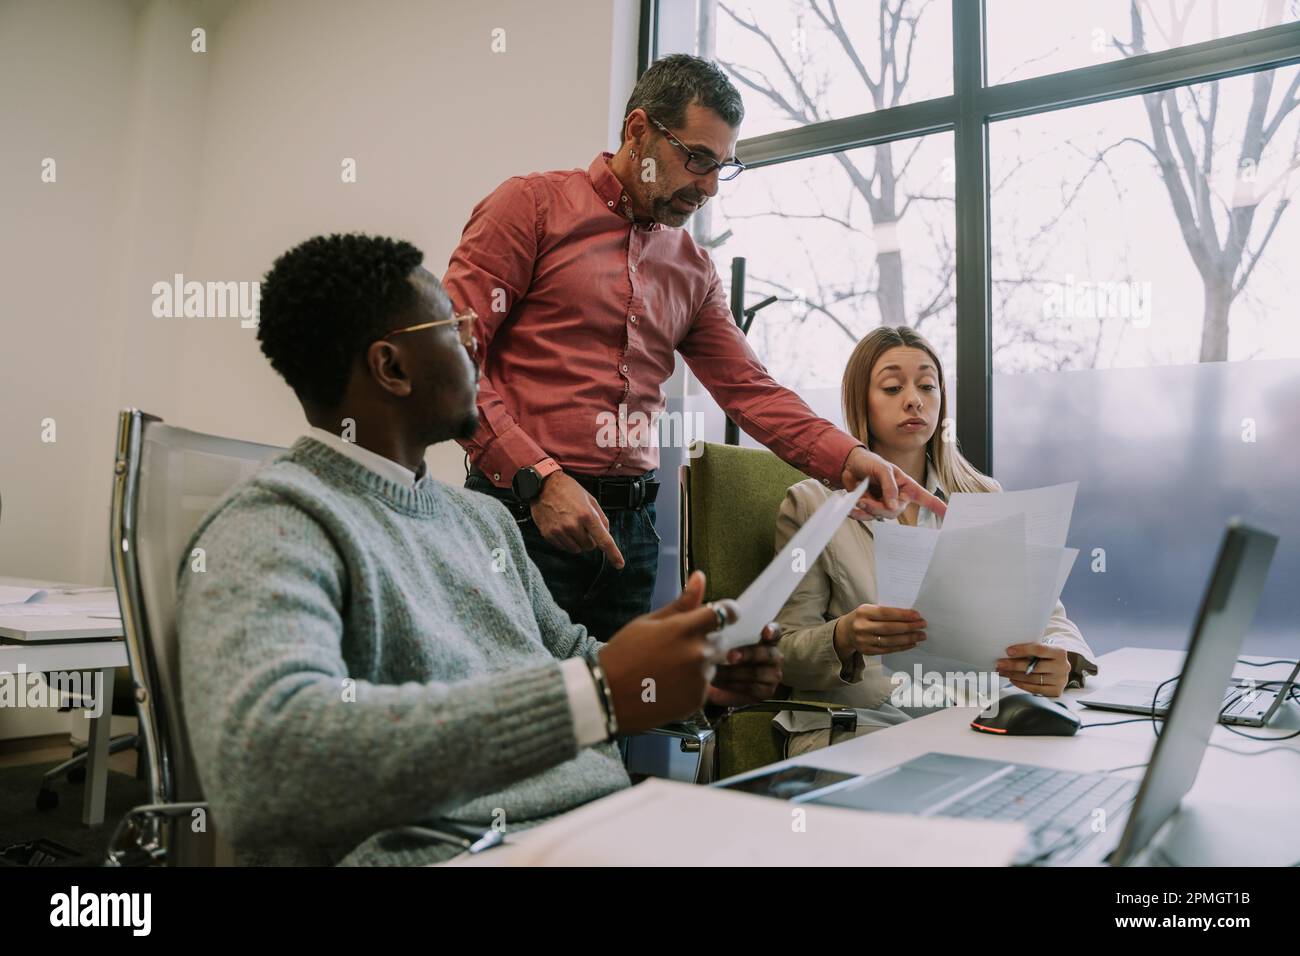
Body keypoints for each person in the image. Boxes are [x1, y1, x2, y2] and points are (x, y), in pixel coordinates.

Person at [176, 234, 783, 865]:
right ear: (392, 367)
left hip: (597, 829)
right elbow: (269, 769)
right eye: (454, 323)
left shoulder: (482, 520)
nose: (475, 341)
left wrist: (690, 675)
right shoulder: (273, 524)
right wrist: (596, 694)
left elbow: (573, 658)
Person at [444, 53, 944, 640]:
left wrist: (847, 458)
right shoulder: (529, 207)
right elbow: (451, 360)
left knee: (618, 719)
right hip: (519, 514)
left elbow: (750, 392)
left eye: (722, 168)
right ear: (639, 131)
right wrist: (538, 479)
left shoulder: (692, 268)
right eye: (698, 159)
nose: (708, 187)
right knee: (519, 717)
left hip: (629, 533)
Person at [772, 326, 1097, 757]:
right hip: (866, 725)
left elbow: (1049, 617)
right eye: (892, 387)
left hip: (971, 719)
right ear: (859, 402)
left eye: (928, 385)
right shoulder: (813, 505)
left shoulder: (983, 497)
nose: (914, 399)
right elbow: (781, 652)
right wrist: (844, 636)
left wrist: (1062, 658)